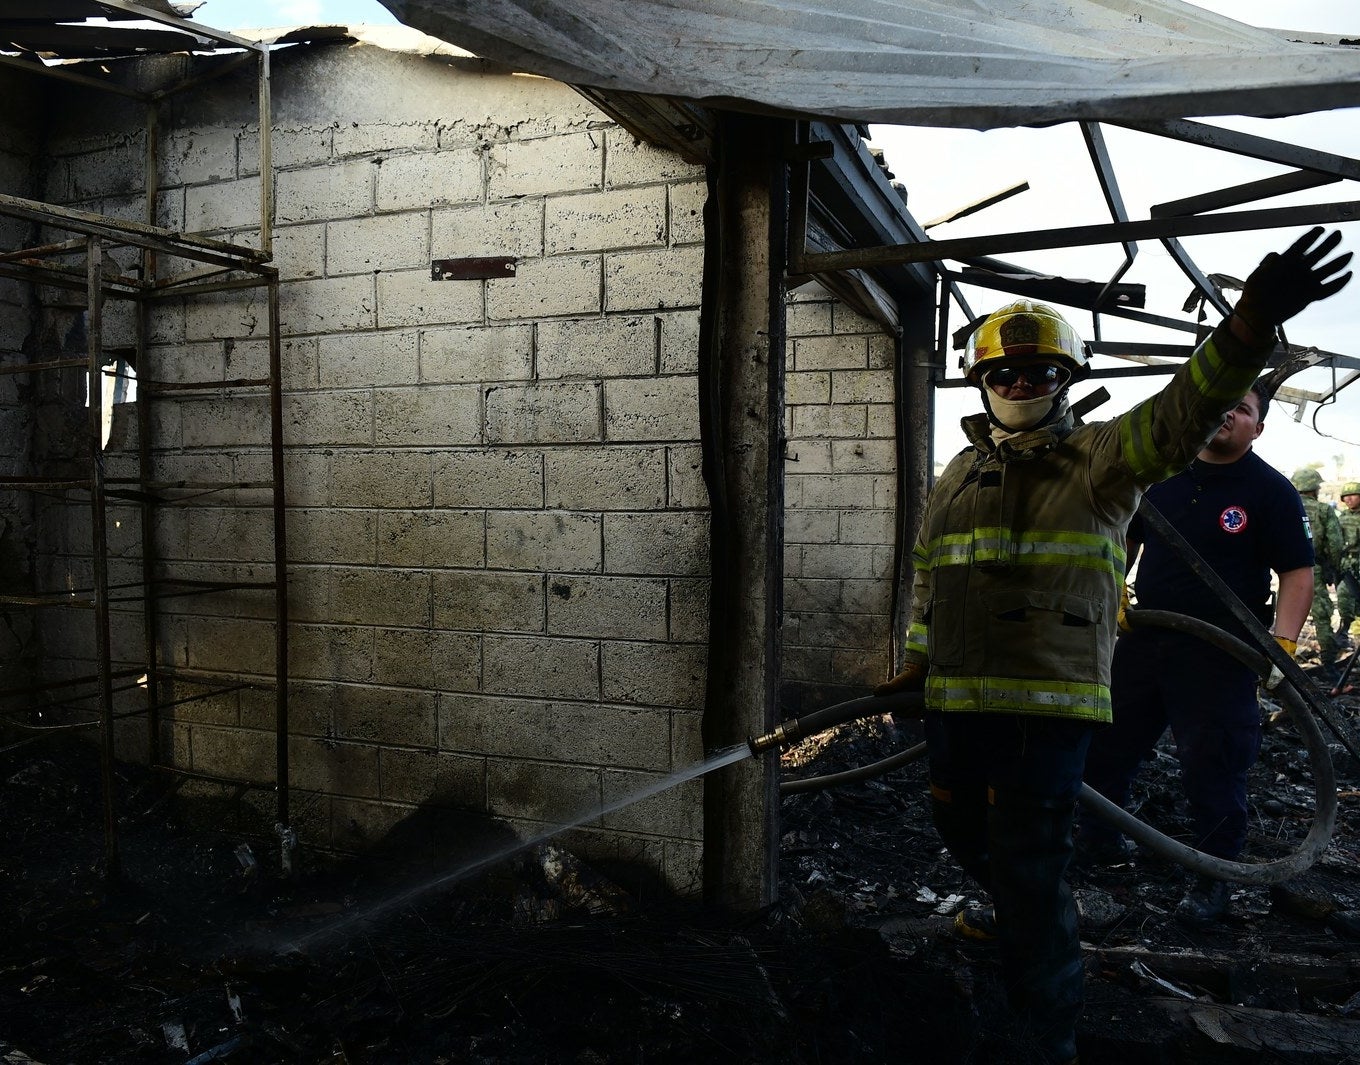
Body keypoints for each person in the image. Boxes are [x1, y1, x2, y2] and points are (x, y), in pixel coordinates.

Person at [873, 227, 1350, 1065]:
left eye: (1040, 371)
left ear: (1067, 380)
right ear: (982, 382)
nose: (1021, 382)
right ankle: (1016, 917)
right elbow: (927, 573)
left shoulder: (1100, 460)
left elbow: (1179, 416)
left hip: (1043, 713)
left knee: (1029, 864)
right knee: (960, 835)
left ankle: (1046, 1029)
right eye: (1003, 372)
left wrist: (1245, 331)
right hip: (952, 702)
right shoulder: (957, 471)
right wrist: (916, 662)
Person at [1079, 380, 1314, 926]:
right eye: (1222, 405)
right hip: (1146, 636)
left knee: (1215, 763)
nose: (1228, 415)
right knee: (1108, 744)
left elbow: (1297, 572)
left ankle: (1212, 879)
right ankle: (1100, 842)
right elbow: (1124, 540)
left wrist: (1281, 645)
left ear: (1259, 425)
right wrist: (1117, 594)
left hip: (1220, 652)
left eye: (1242, 408)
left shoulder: (1270, 491)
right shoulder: (1161, 478)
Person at [1291, 466, 1344, 680]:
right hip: (1313, 568)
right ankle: (1329, 666)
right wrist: (1333, 567)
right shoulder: (1324, 510)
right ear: (1314, 488)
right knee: (1321, 615)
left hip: (1280, 568)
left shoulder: (1284, 505)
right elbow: (1335, 543)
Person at [1335, 481, 1360, 645]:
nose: (1348, 499)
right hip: (1346, 565)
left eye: (1352, 495)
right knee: (1344, 597)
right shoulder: (1341, 517)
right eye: (1345, 496)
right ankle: (1345, 629)